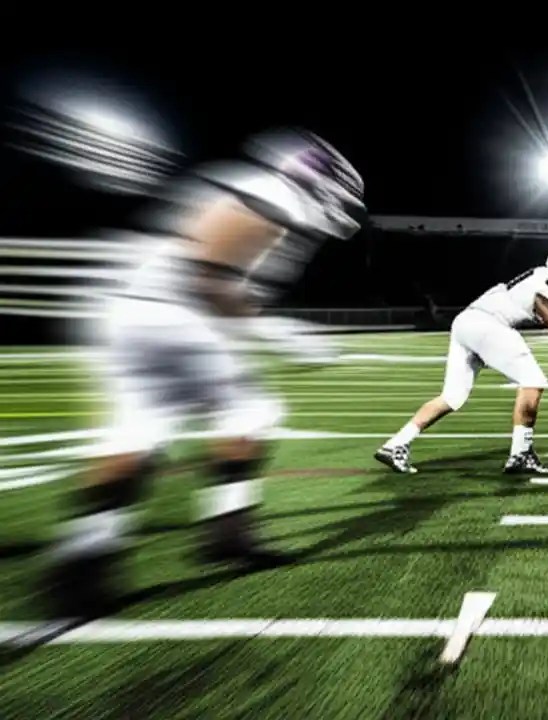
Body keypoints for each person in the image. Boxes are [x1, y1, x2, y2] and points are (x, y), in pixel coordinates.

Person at [47, 129, 364, 621]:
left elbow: (209, 271)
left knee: (140, 432)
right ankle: (228, 532)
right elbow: (207, 273)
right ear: (319, 180)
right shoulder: (272, 194)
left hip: (134, 311)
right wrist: (272, 330)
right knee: (251, 410)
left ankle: (83, 559)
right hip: (172, 314)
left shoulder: (255, 187)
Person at [376, 245, 548, 475]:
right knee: (533, 380)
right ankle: (521, 454)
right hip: (488, 323)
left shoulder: (538, 276)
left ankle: (395, 444)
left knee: (452, 397)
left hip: (466, 321)